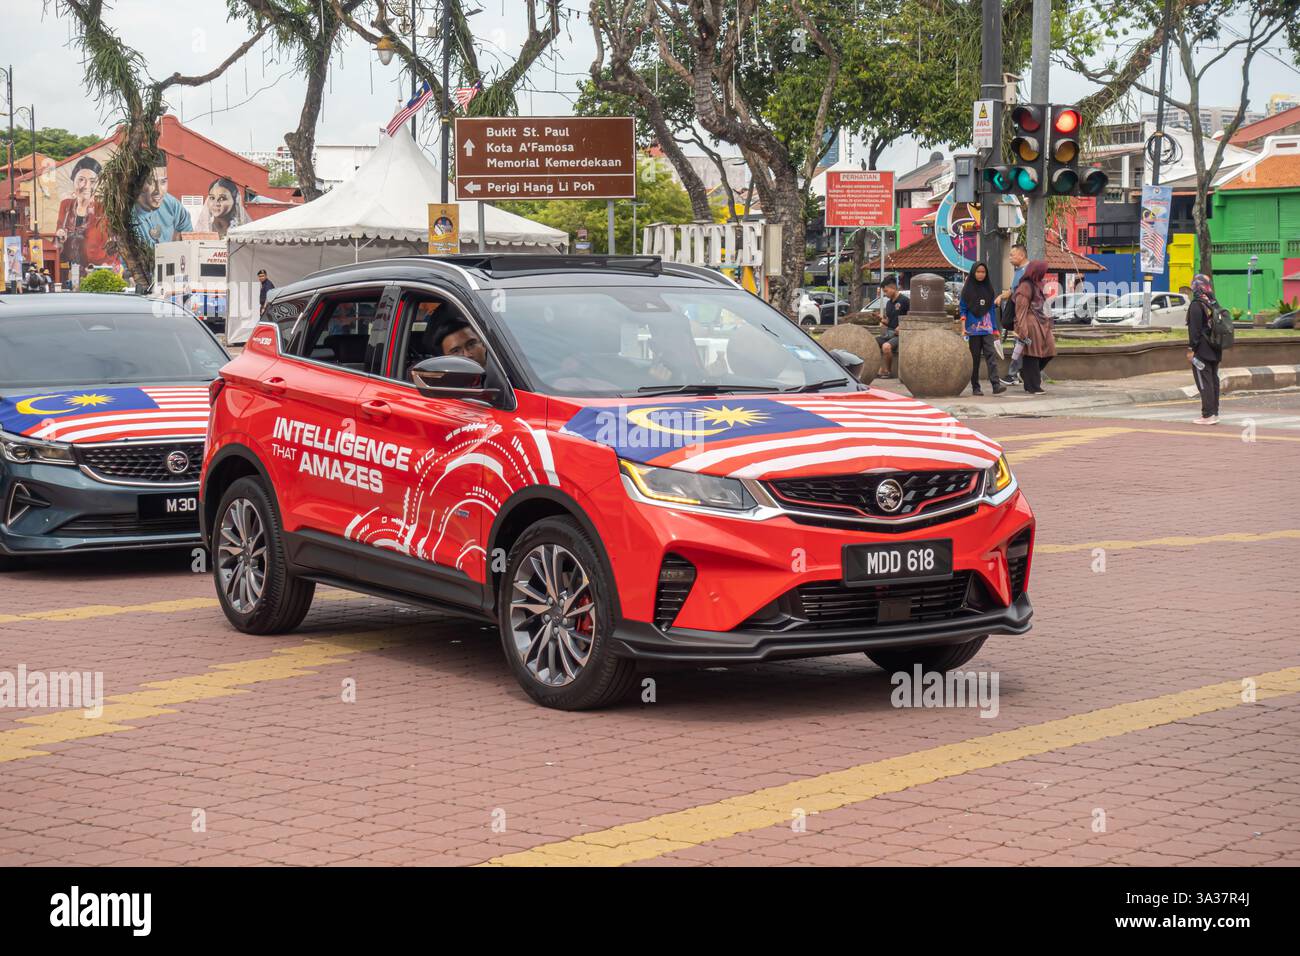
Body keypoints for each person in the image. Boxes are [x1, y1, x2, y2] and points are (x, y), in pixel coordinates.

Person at [55, 155, 114, 270]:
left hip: (97, 269)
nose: (86, 186)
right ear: (73, 181)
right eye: (81, 179)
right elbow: (58, 239)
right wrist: (59, 235)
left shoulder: (105, 208)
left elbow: (114, 245)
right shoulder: (65, 205)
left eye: (92, 181)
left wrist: (106, 267)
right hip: (69, 270)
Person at [960, 262, 1005, 396]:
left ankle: (996, 385)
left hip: (987, 329)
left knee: (991, 356)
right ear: (973, 273)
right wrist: (963, 328)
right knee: (975, 359)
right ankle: (975, 387)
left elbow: (991, 310)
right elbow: (962, 309)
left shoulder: (989, 289)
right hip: (972, 330)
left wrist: (995, 329)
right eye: (978, 272)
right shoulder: (967, 290)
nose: (980, 274)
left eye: (983, 272)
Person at [1013, 260, 1056, 394]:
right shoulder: (1025, 286)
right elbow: (1020, 310)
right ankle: (1033, 385)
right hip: (1030, 323)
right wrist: (1023, 330)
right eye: (1042, 270)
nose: (1044, 273)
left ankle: (1026, 375)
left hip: (1043, 323)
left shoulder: (1039, 285)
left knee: (1050, 351)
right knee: (1032, 354)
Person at [1186, 273, 1223, 424]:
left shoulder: (1196, 304)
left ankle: (1207, 415)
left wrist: (1191, 349)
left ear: (1196, 286)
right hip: (1215, 348)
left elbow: (1194, 331)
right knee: (1213, 380)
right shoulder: (1213, 303)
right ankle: (1214, 413)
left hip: (1202, 350)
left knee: (1204, 382)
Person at [132, 155, 192, 246]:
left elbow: (188, 234)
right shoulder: (127, 215)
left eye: (163, 182)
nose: (159, 191)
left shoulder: (171, 204)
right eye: (151, 182)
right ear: (139, 183)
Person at [996, 243, 1030, 386]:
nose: (1010, 258)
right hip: (1018, 313)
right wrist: (1001, 297)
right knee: (1019, 343)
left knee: (1021, 342)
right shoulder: (1019, 270)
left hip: (1025, 314)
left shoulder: (1028, 271)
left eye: (1012, 255)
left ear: (1021, 255)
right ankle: (1018, 374)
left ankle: (1015, 374)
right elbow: (1012, 290)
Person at [876, 275, 908, 378]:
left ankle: (888, 371)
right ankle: (877, 368)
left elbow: (912, 317)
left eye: (886, 291)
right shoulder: (889, 304)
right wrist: (881, 319)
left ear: (893, 287)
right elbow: (889, 321)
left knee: (886, 347)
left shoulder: (905, 301)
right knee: (871, 341)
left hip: (900, 335)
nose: (885, 294)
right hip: (889, 333)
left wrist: (902, 326)